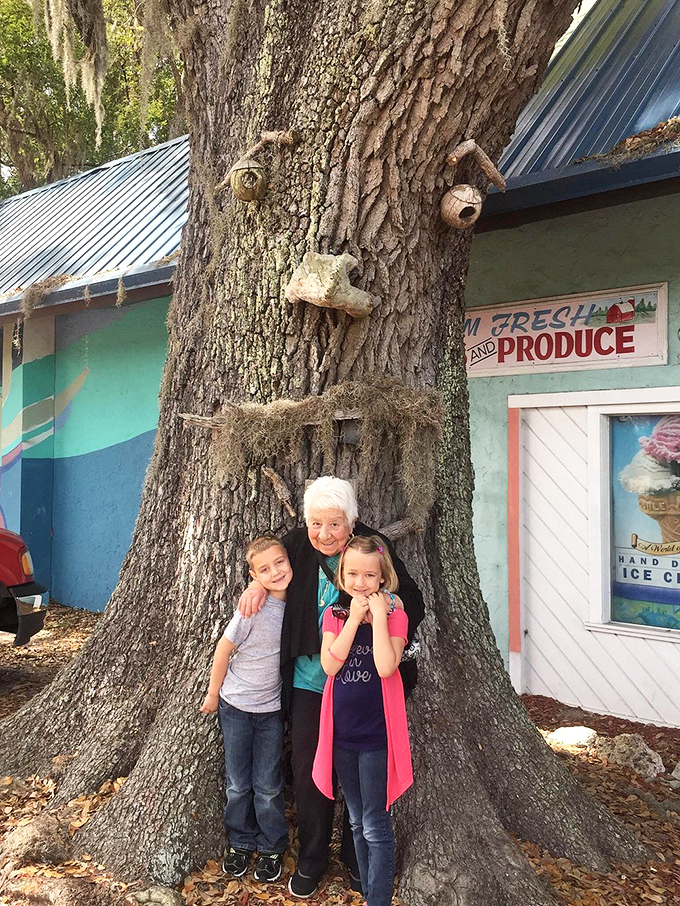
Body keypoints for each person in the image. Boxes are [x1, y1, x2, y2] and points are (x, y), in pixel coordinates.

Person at [238, 476, 424, 898]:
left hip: (361, 689)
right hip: (311, 683)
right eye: (316, 523)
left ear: (352, 521)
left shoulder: (372, 549)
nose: (324, 533)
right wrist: (256, 583)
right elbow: (268, 564)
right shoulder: (298, 546)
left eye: (335, 524)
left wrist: (386, 606)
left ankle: (358, 860)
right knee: (310, 774)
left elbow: (412, 599)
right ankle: (313, 858)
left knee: (361, 777)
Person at [313, 535, 413, 906]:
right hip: (342, 737)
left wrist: (381, 620)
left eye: (369, 575)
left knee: (375, 824)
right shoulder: (334, 615)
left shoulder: (396, 615)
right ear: (342, 576)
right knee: (355, 822)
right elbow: (330, 664)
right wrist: (354, 619)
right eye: (352, 574)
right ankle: (370, 892)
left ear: (382, 578)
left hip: (376, 739)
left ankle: (378, 899)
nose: (360, 582)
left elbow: (387, 666)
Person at [200, 535, 292, 883]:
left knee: (268, 784)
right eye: (264, 569)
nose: (275, 572)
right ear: (253, 575)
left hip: (271, 711)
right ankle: (240, 842)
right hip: (236, 706)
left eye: (280, 562)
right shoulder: (252, 608)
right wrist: (213, 694)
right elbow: (224, 649)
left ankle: (271, 846)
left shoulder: (298, 603)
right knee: (238, 783)